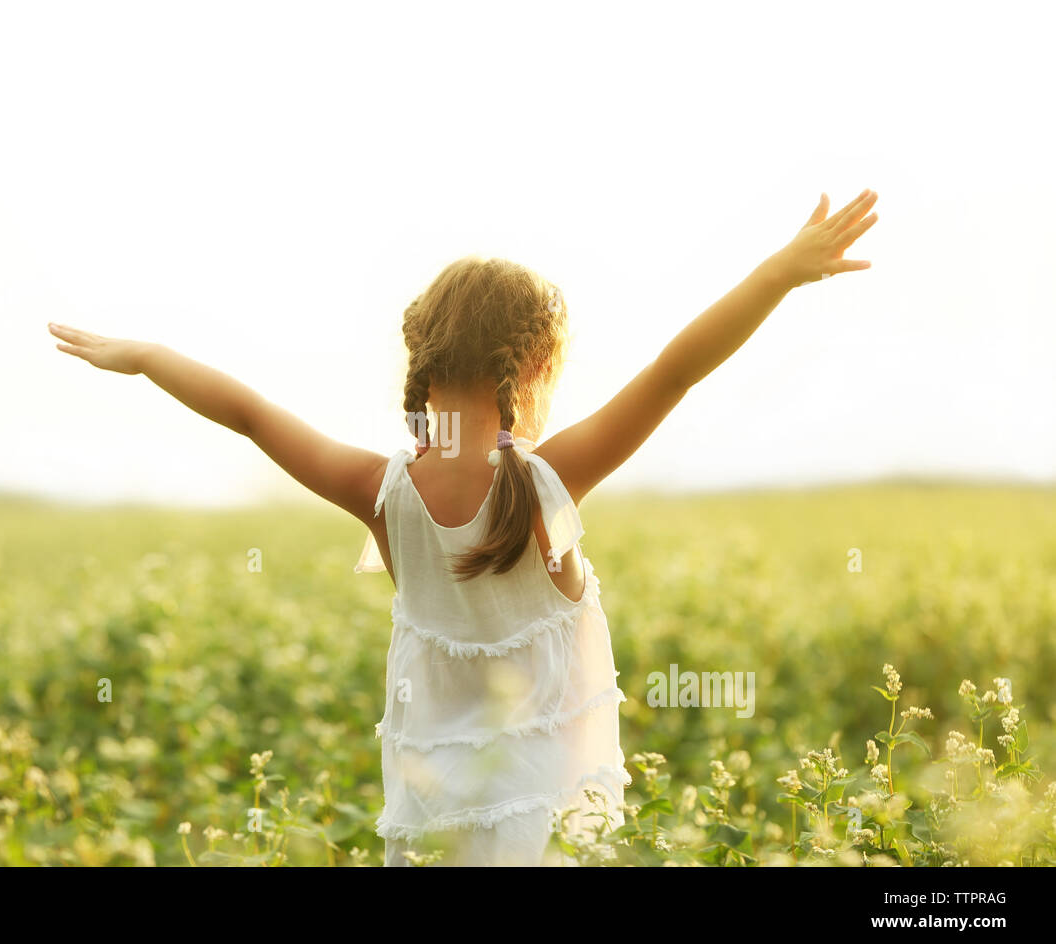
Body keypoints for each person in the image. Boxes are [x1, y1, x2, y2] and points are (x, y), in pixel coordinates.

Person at [49, 188, 879, 865]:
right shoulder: (548, 482)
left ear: (422, 356)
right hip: (551, 831)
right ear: (533, 365)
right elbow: (676, 370)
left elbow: (252, 416)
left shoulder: (381, 493)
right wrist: (777, 274)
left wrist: (149, 356)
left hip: (434, 826)